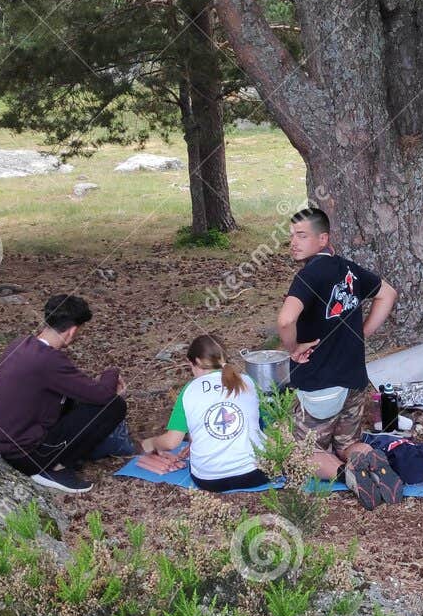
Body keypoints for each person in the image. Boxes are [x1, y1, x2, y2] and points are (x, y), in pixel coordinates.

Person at [276, 206, 400, 507]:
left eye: (302, 236)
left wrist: (292, 349)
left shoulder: (309, 275)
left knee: (297, 452)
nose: (294, 242)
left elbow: (285, 320)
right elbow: (388, 294)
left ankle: (349, 475)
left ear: (323, 239)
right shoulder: (350, 269)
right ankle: (373, 464)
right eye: (291, 236)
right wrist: (363, 333)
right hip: (354, 384)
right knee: (347, 444)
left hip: (320, 386)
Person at [0, 294, 130, 494]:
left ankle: (53, 458)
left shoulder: (19, 344)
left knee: (76, 398)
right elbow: (103, 395)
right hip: (28, 455)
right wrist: (111, 373)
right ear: (72, 331)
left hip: (5, 444)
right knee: (114, 405)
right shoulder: (48, 361)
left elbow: (77, 387)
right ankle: (53, 466)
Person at [137, 334, 271, 492]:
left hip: (209, 480)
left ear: (194, 363)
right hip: (257, 474)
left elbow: (171, 443)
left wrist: (150, 443)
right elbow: (267, 425)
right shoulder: (247, 381)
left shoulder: (190, 390)